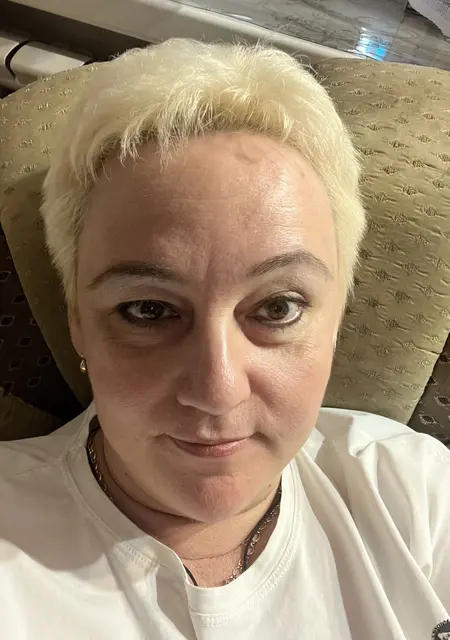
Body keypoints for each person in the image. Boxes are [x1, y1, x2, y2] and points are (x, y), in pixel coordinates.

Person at [0, 38, 449, 640]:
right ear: (78, 319)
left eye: (278, 308)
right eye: (148, 310)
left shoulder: (416, 495)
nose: (218, 391)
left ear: (337, 317)